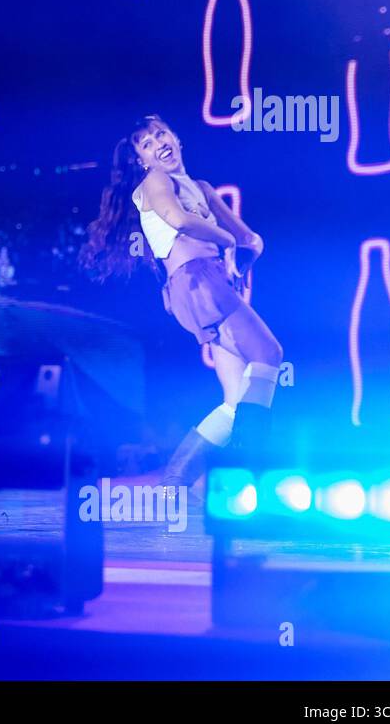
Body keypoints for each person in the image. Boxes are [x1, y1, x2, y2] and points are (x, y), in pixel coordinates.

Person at [79, 115, 283, 491]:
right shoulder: (156, 182)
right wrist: (227, 244)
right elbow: (179, 219)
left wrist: (241, 256)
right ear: (142, 160)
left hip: (210, 284)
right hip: (196, 281)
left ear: (176, 137)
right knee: (269, 354)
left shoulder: (202, 187)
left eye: (160, 134)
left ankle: (173, 484)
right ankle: (246, 471)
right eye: (145, 144)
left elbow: (251, 239)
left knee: (236, 399)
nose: (157, 143)